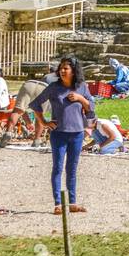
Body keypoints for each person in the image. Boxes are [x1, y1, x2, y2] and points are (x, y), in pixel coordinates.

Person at [30, 56, 95, 214]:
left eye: (66, 68)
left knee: (72, 169)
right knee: (58, 168)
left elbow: (91, 108)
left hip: (77, 134)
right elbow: (35, 104)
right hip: (58, 134)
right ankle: (58, 204)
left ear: (73, 71)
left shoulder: (81, 87)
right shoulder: (53, 87)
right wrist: (44, 122)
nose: (62, 70)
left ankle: (72, 203)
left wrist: (80, 99)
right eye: (61, 68)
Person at [0, 66, 57, 148]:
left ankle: (8, 132)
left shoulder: (46, 76)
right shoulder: (61, 77)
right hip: (44, 88)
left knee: (17, 111)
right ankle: (36, 140)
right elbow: (47, 116)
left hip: (29, 84)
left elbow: (23, 111)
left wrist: (28, 122)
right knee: (41, 115)